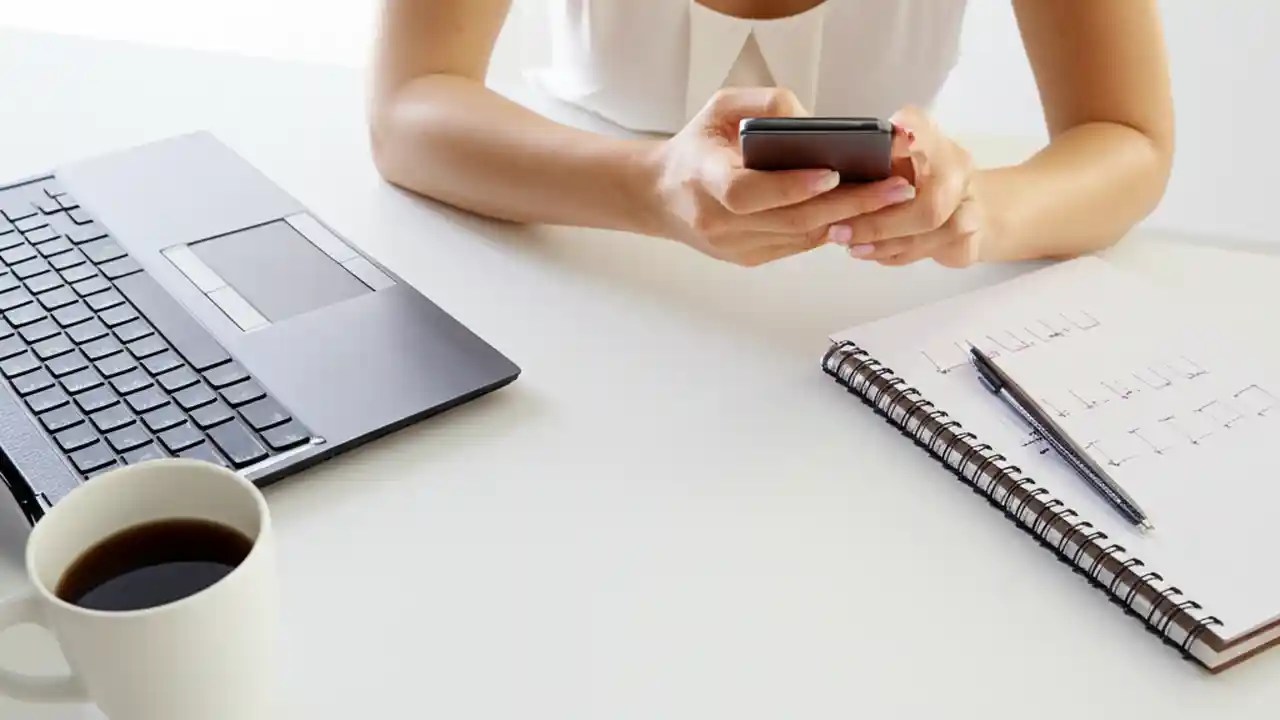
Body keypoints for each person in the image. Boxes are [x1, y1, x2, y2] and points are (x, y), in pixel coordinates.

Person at [368, 1, 1173, 269]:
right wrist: (648, 186)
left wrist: (980, 212)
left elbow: (1128, 138)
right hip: (561, 245)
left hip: (872, 319)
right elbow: (408, 106)